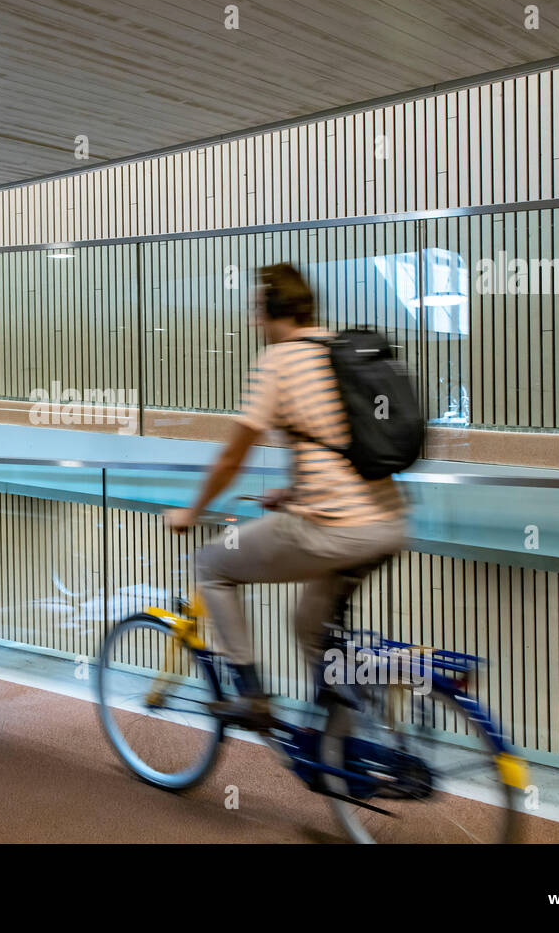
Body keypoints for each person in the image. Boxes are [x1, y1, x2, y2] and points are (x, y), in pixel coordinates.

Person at [164, 264, 407, 730]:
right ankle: (343, 743)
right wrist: (294, 492)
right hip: (388, 525)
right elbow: (341, 444)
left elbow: (232, 458)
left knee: (211, 565)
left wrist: (190, 512)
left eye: (257, 310)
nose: (255, 322)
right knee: (310, 627)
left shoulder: (279, 360)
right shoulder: (339, 351)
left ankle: (252, 698)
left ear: (272, 311)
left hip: (333, 530)